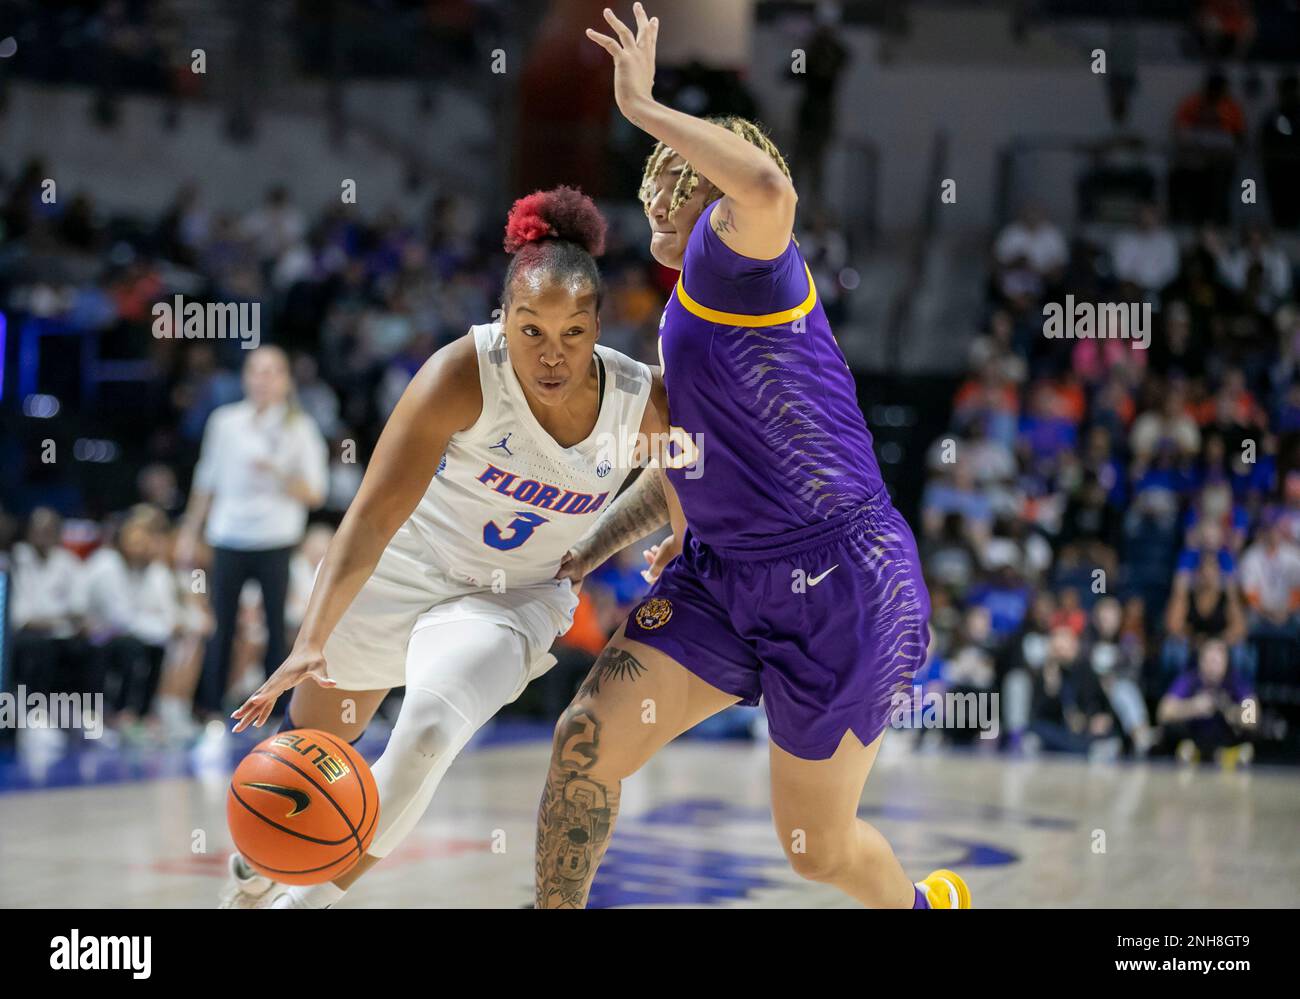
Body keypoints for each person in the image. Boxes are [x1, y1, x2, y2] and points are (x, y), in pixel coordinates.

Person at [534, 5, 967, 911]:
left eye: (677, 170)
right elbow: (682, 458)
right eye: (651, 168)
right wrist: (592, 545)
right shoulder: (688, 308)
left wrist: (646, 106)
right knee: (585, 740)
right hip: (724, 582)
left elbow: (768, 185)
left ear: (711, 189)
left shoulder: (742, 258)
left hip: (841, 579)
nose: (656, 183)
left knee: (815, 850)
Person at [220, 187, 666, 909]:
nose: (551, 356)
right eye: (530, 330)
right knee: (304, 770)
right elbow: (369, 516)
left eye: (571, 334)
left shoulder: (640, 402)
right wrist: (310, 639)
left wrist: (676, 526)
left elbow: (705, 470)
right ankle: (249, 877)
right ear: (502, 319)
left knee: (425, 736)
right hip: (410, 563)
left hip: (509, 596)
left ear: (597, 326)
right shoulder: (462, 372)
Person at [179, 345, 329, 724]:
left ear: (285, 380)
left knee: (276, 630)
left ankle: (278, 711)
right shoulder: (224, 422)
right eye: (256, 371)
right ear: (245, 377)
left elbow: (315, 493)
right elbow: (205, 482)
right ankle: (212, 710)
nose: (263, 379)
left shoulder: (300, 427)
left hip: (275, 539)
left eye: (272, 371)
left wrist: (277, 470)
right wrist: (188, 531)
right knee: (221, 625)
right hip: (227, 536)